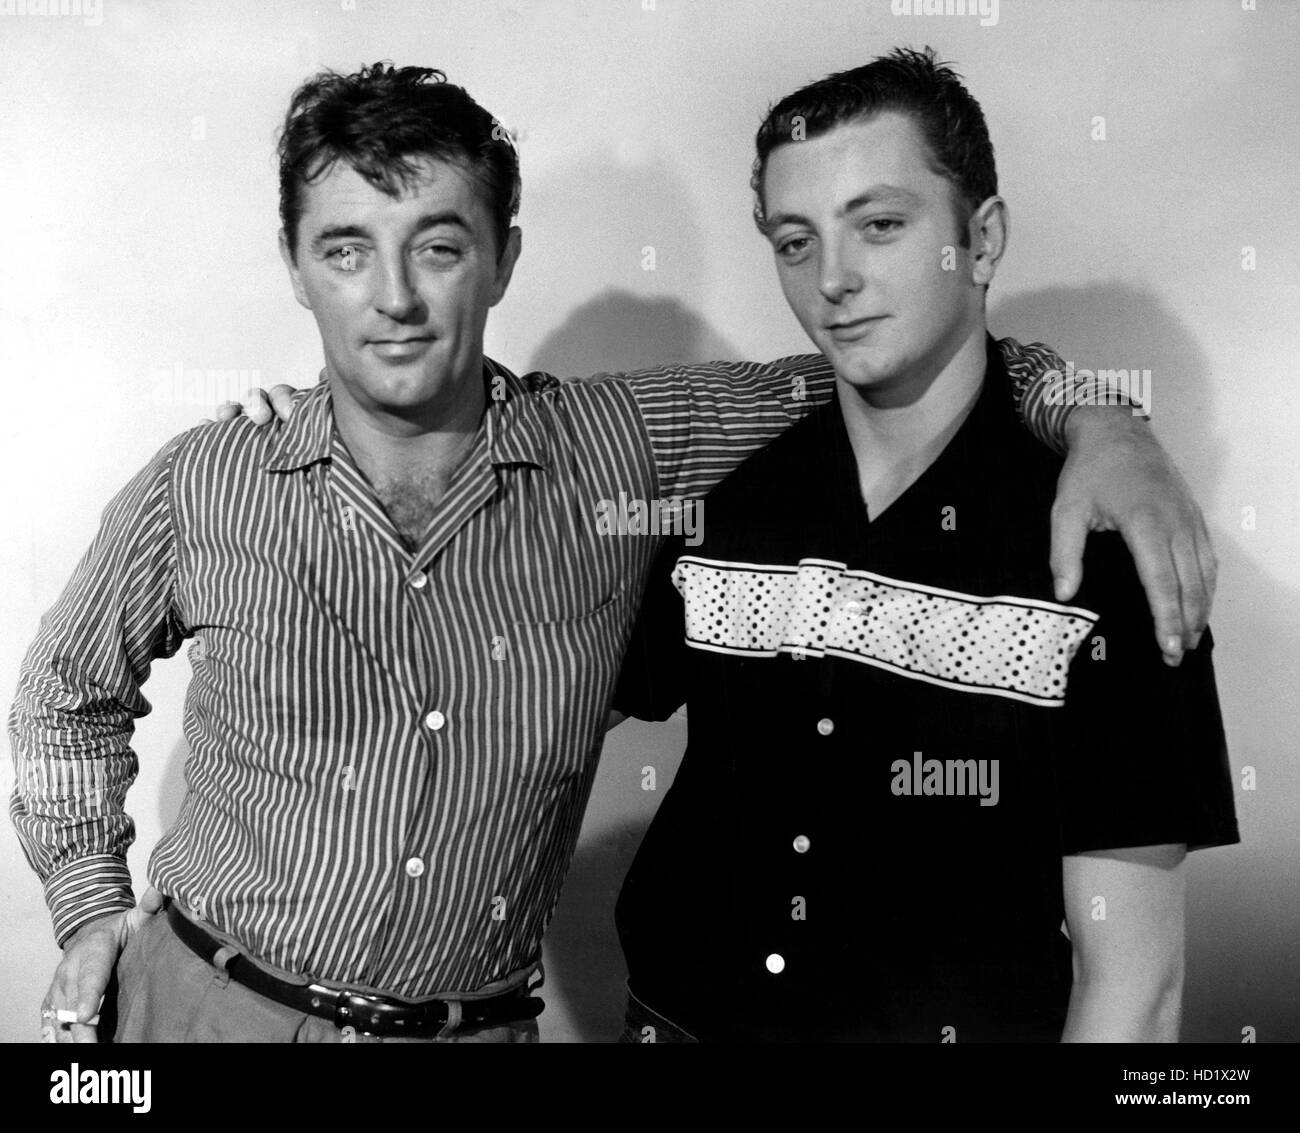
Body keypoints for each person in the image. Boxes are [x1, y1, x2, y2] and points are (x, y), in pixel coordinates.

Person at [11, 61, 1214, 1045]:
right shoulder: (210, 478)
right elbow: (63, 696)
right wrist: (87, 910)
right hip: (199, 1013)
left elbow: (892, 365)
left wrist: (1096, 412)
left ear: (503, 255)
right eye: (343, 250)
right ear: (293, 265)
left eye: (437, 244)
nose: (393, 298)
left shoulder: (622, 450)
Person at [609, 48, 1239, 1044]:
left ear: (979, 238)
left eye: (881, 225)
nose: (834, 280)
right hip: (668, 1022)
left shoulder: (1109, 542)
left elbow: (1136, 989)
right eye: (793, 239)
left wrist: (1105, 425)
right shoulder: (729, 494)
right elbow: (551, 700)